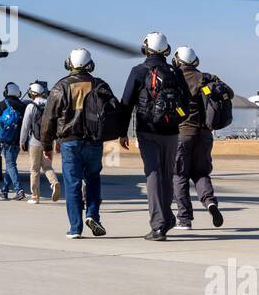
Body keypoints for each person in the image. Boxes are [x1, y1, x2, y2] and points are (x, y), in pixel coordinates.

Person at [41, 48, 120, 238]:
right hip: (94, 141)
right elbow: (114, 109)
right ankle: (92, 215)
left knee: (73, 183)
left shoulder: (61, 87)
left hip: (70, 142)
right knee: (93, 179)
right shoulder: (99, 84)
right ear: (90, 65)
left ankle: (75, 228)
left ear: (69, 64)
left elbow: (48, 118)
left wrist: (46, 145)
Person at [118, 32, 188, 241]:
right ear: (166, 50)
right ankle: (167, 217)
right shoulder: (176, 72)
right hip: (172, 133)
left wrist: (122, 132)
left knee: (152, 175)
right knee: (167, 176)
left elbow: (126, 103)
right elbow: (186, 104)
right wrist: (176, 118)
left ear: (145, 48)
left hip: (147, 131)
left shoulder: (138, 71)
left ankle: (158, 225)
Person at [171, 45, 225, 232]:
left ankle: (184, 219)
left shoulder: (175, 80)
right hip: (205, 135)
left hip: (183, 134)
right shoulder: (206, 78)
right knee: (201, 173)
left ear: (178, 61)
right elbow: (229, 93)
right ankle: (210, 204)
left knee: (180, 176)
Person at [19, 82, 60, 204]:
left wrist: (22, 141)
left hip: (34, 142)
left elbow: (25, 126)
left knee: (34, 169)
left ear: (32, 94)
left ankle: (35, 196)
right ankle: (54, 183)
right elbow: (57, 125)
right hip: (48, 142)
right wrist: (57, 141)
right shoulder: (50, 105)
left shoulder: (31, 106)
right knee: (47, 167)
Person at [0, 82, 27, 201]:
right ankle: (4, 190)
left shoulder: (2, 104)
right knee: (10, 165)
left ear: (6, 92)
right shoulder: (23, 106)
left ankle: (19, 190)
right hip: (18, 140)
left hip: (6, 140)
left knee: (10, 165)